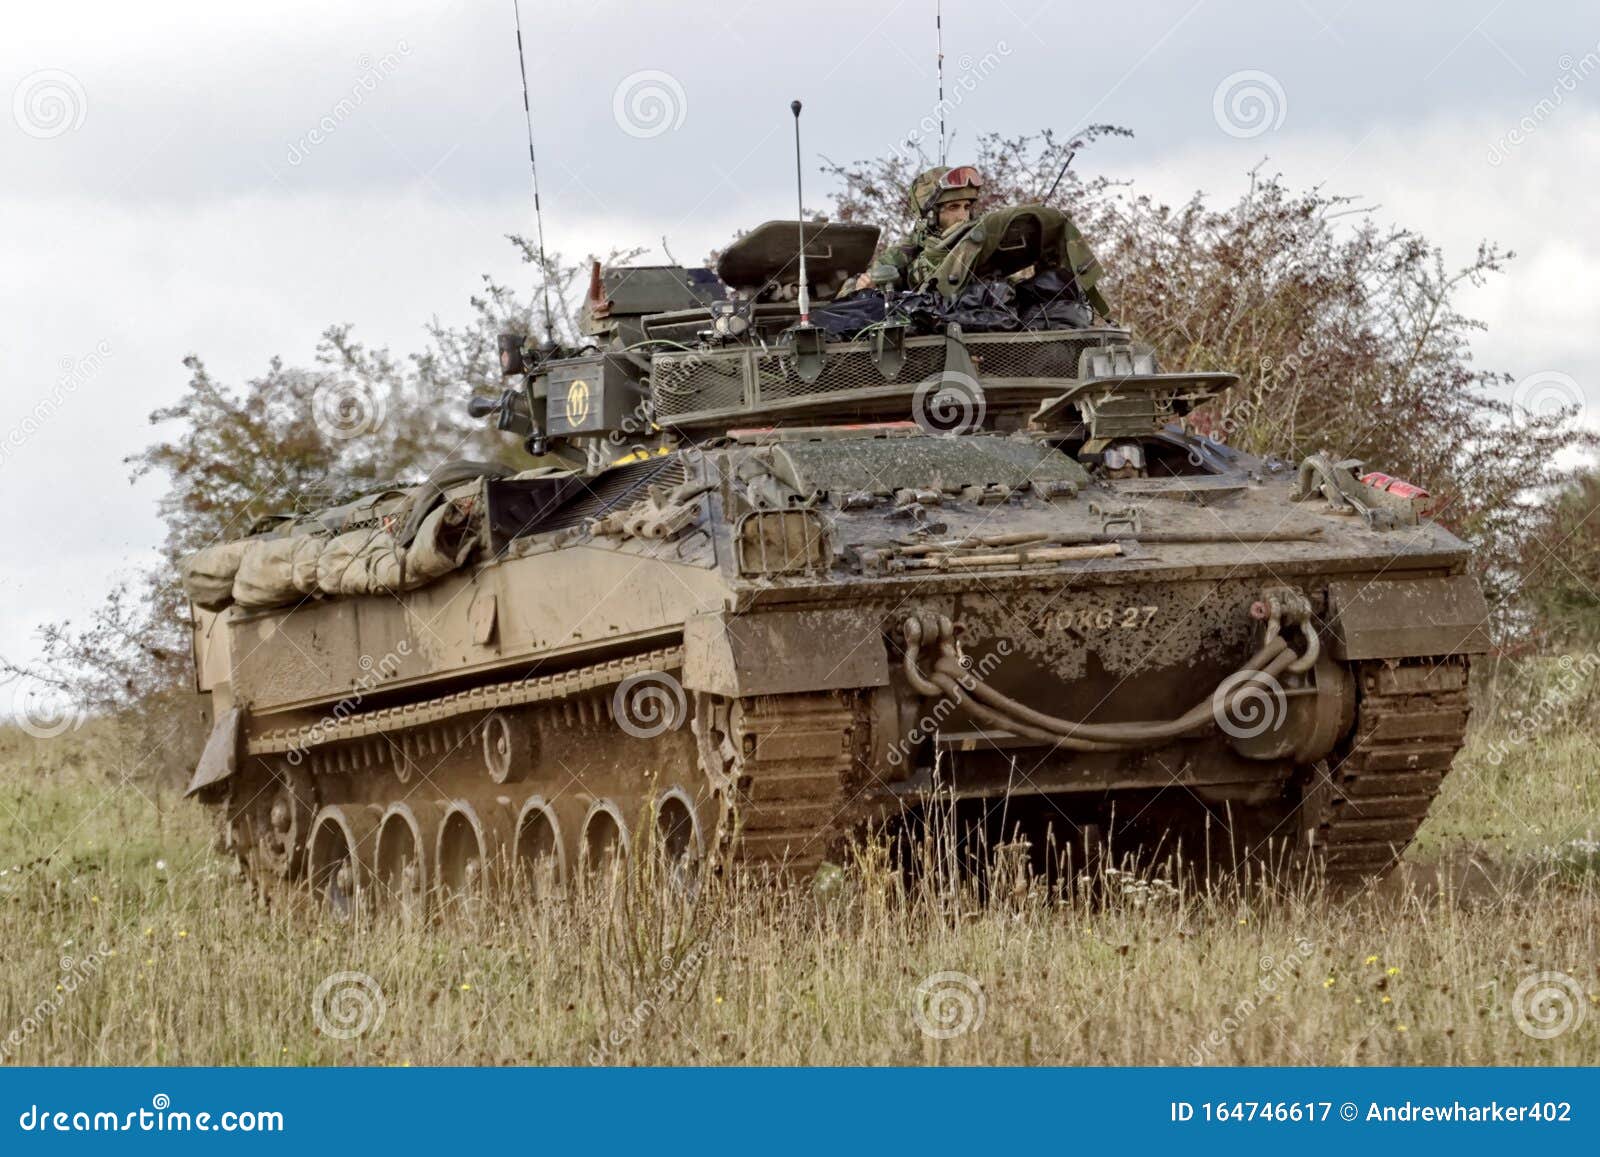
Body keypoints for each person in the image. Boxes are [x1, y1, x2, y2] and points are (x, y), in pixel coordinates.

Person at [853, 165, 983, 292]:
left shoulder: (983, 239)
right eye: (953, 207)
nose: (963, 217)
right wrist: (865, 287)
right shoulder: (907, 251)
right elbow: (855, 288)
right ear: (930, 215)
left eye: (966, 207)